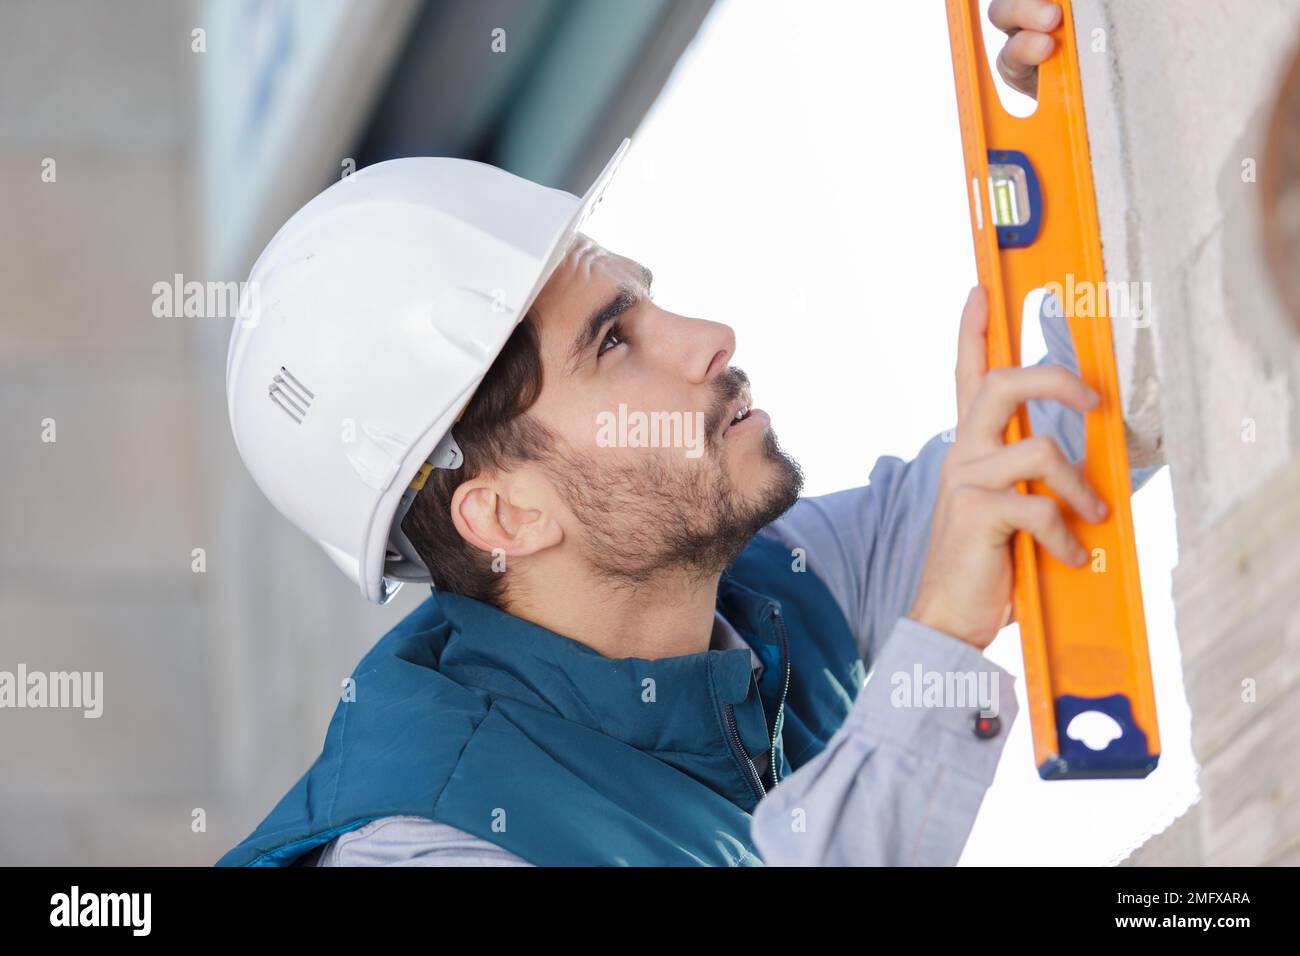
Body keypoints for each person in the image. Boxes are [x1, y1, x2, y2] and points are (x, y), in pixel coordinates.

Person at [218, 0, 1140, 866]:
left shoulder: (773, 595)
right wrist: (940, 633)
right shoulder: (432, 841)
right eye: (613, 342)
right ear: (504, 515)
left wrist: (1086, 92)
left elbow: (1098, 408)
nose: (710, 341)